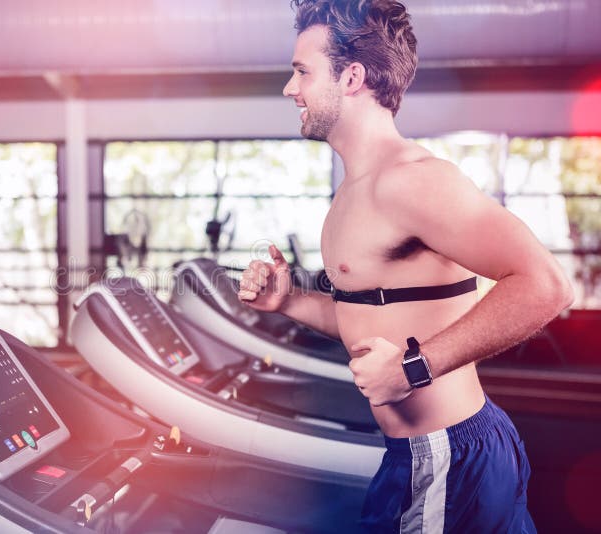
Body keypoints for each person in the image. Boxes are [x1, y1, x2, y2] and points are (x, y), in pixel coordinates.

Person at [237, 1, 573, 532]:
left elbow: (547, 286)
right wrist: (290, 301)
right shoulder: (355, 190)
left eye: (302, 71)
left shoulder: (412, 180)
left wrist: (411, 369)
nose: (289, 88)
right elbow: (369, 319)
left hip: (446, 458)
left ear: (351, 77)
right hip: (420, 454)